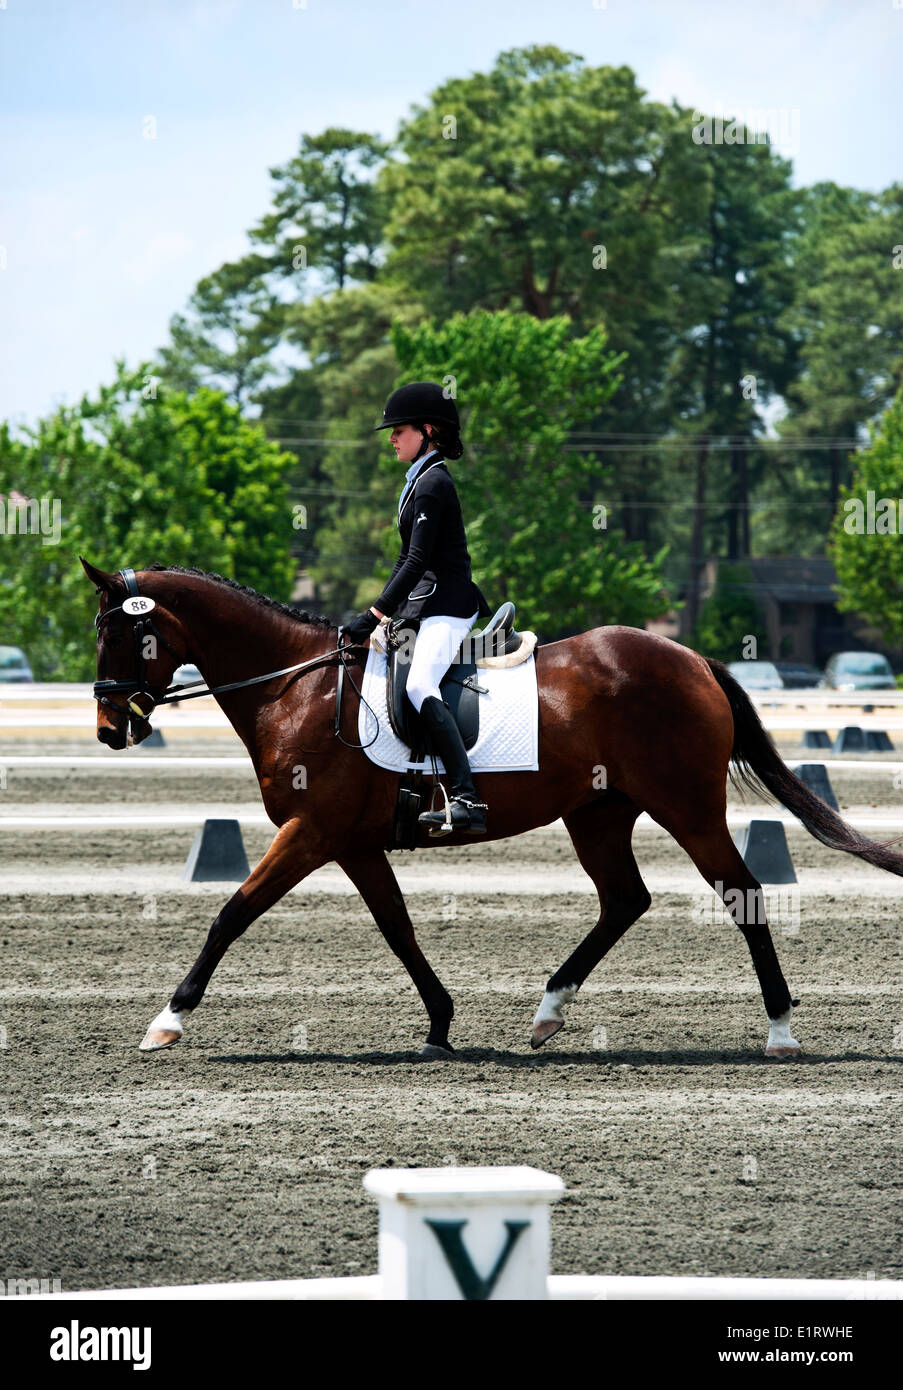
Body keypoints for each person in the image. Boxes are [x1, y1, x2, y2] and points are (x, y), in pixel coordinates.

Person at [343, 382, 492, 834]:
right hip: (425, 605)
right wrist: (384, 612)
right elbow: (403, 562)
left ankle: (467, 798)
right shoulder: (417, 481)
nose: (391, 437)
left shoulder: (433, 484)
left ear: (427, 431)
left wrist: (374, 615)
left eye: (399, 430)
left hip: (448, 605)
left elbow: (418, 561)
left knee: (419, 685)